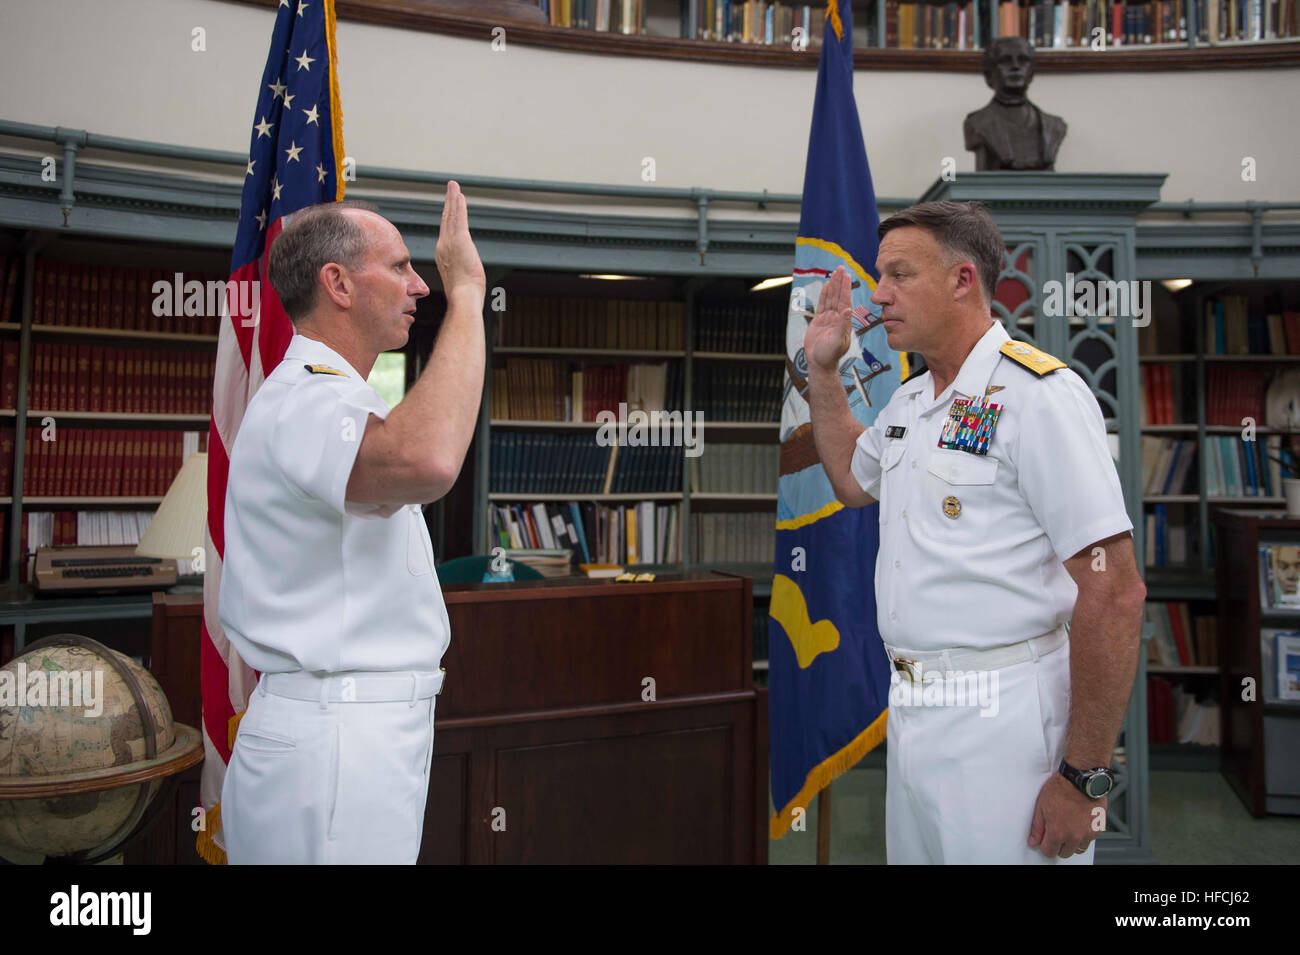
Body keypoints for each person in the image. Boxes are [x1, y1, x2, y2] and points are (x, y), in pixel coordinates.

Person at [805, 200, 1145, 864]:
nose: (879, 295)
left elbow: (1115, 591)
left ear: (963, 280)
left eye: (900, 274)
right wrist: (823, 370)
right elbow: (850, 476)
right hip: (913, 707)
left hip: (1005, 715)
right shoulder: (910, 400)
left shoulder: (1038, 396)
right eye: (881, 275)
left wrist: (1083, 777)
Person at [218, 183, 486, 864]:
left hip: (350, 728)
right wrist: (469, 298)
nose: (419, 285)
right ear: (336, 283)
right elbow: (426, 457)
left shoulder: (333, 395)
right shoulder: (306, 396)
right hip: (335, 734)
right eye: (398, 266)